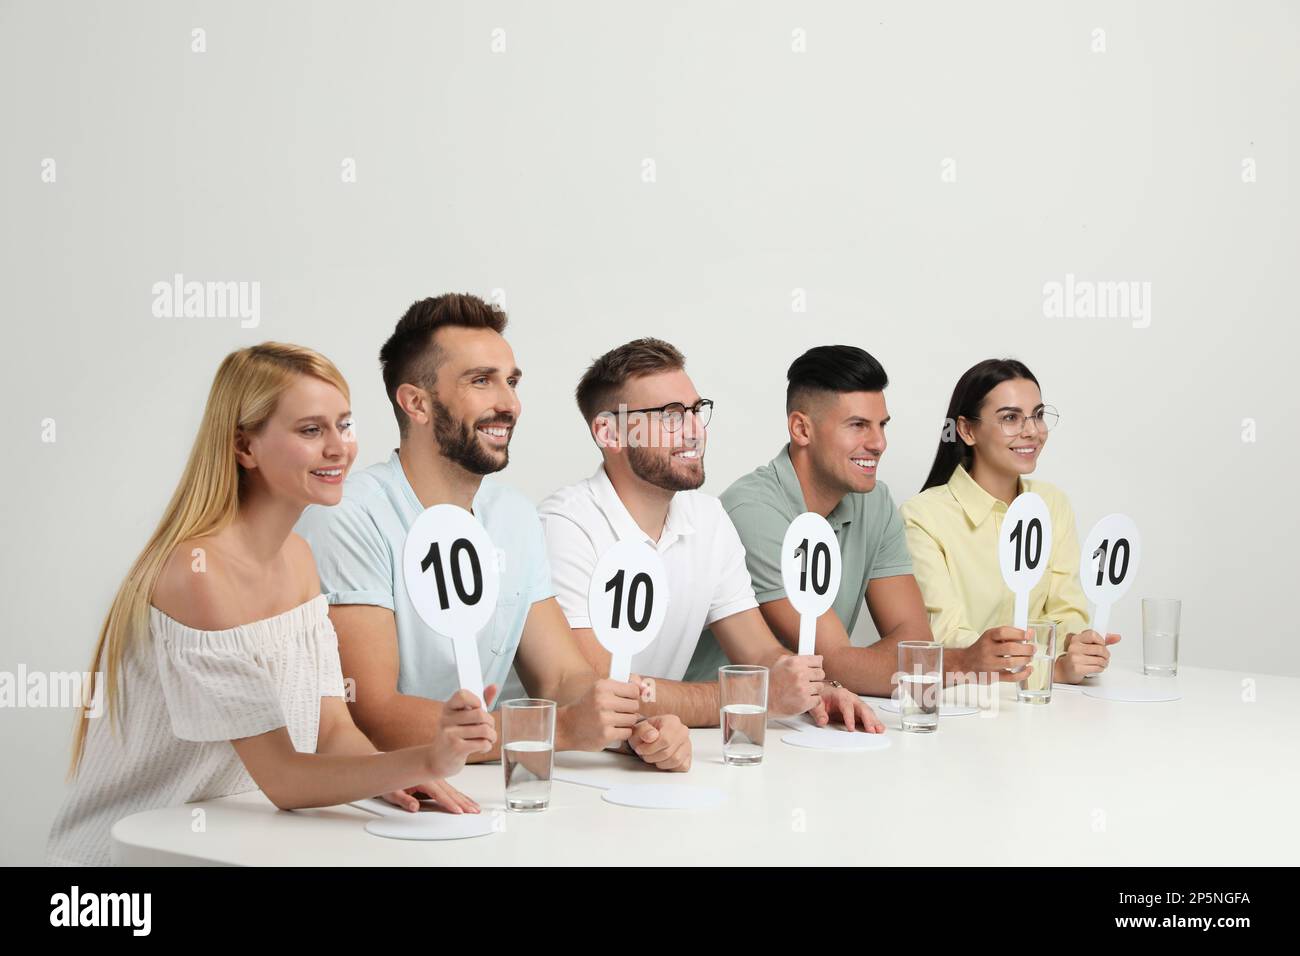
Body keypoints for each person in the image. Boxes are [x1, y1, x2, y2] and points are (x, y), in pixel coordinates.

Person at [48, 343, 495, 867]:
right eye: (310, 430)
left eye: (343, 425)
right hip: (130, 860)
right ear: (245, 447)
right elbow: (284, 779)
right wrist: (427, 756)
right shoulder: (199, 574)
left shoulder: (300, 556)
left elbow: (332, 732)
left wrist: (403, 773)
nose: (339, 448)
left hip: (231, 844)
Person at [296, 295, 692, 774]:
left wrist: (634, 728)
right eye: (481, 381)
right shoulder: (350, 515)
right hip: (380, 801)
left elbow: (563, 676)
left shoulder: (514, 516)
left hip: (488, 791)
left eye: (512, 381)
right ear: (416, 403)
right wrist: (560, 730)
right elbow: (372, 713)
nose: (509, 404)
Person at [539, 338, 882, 732]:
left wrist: (815, 691)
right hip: (557, 766)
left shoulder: (708, 518)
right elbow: (598, 691)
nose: (694, 431)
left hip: (651, 752)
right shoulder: (565, 526)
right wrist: (752, 698)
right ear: (609, 432)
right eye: (670, 415)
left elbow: (759, 651)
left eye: (696, 410)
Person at [686, 344, 1023, 694]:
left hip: (815, 716)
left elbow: (914, 639)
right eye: (858, 425)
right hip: (723, 727)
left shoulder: (874, 501)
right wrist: (962, 662)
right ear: (802, 429)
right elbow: (832, 660)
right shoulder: (753, 511)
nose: (878, 443)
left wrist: (861, 668)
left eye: (881, 425)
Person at [901, 358, 1120, 682]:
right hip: (963, 705)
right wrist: (1051, 670)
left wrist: (1077, 645)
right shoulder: (923, 516)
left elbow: (1065, 613)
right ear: (966, 430)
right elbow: (945, 639)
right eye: (1010, 418)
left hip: (1049, 710)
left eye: (1038, 415)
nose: (1032, 431)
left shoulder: (1052, 504)